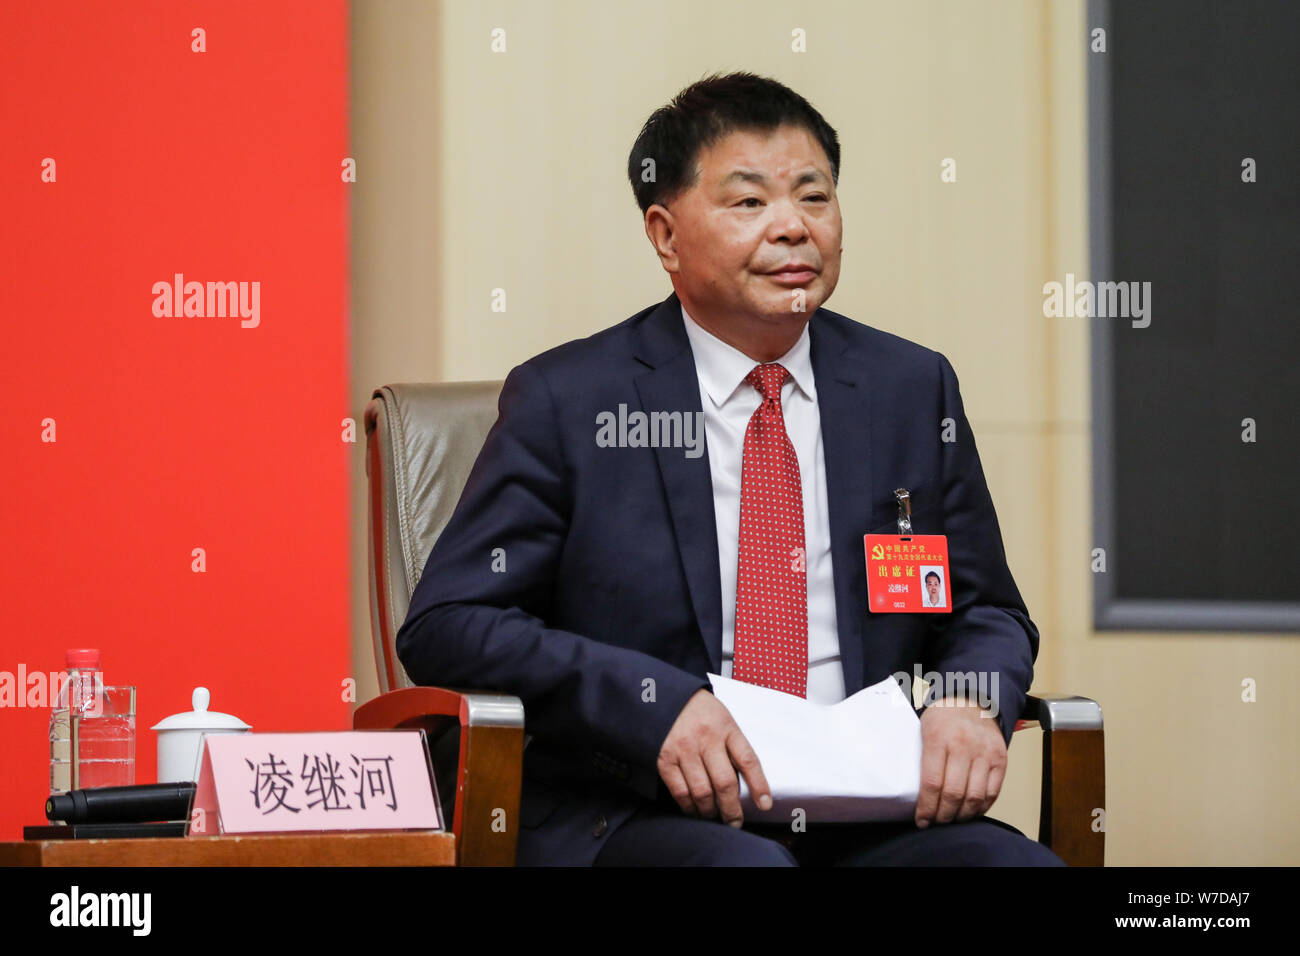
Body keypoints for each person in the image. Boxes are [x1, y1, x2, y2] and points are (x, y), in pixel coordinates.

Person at [396, 71, 1063, 866]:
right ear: (665, 234)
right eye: (749, 202)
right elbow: (450, 624)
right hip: (642, 810)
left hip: (873, 811)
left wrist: (966, 701)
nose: (792, 228)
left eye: (814, 197)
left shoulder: (910, 388)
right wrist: (652, 706)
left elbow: (988, 610)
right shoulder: (570, 401)